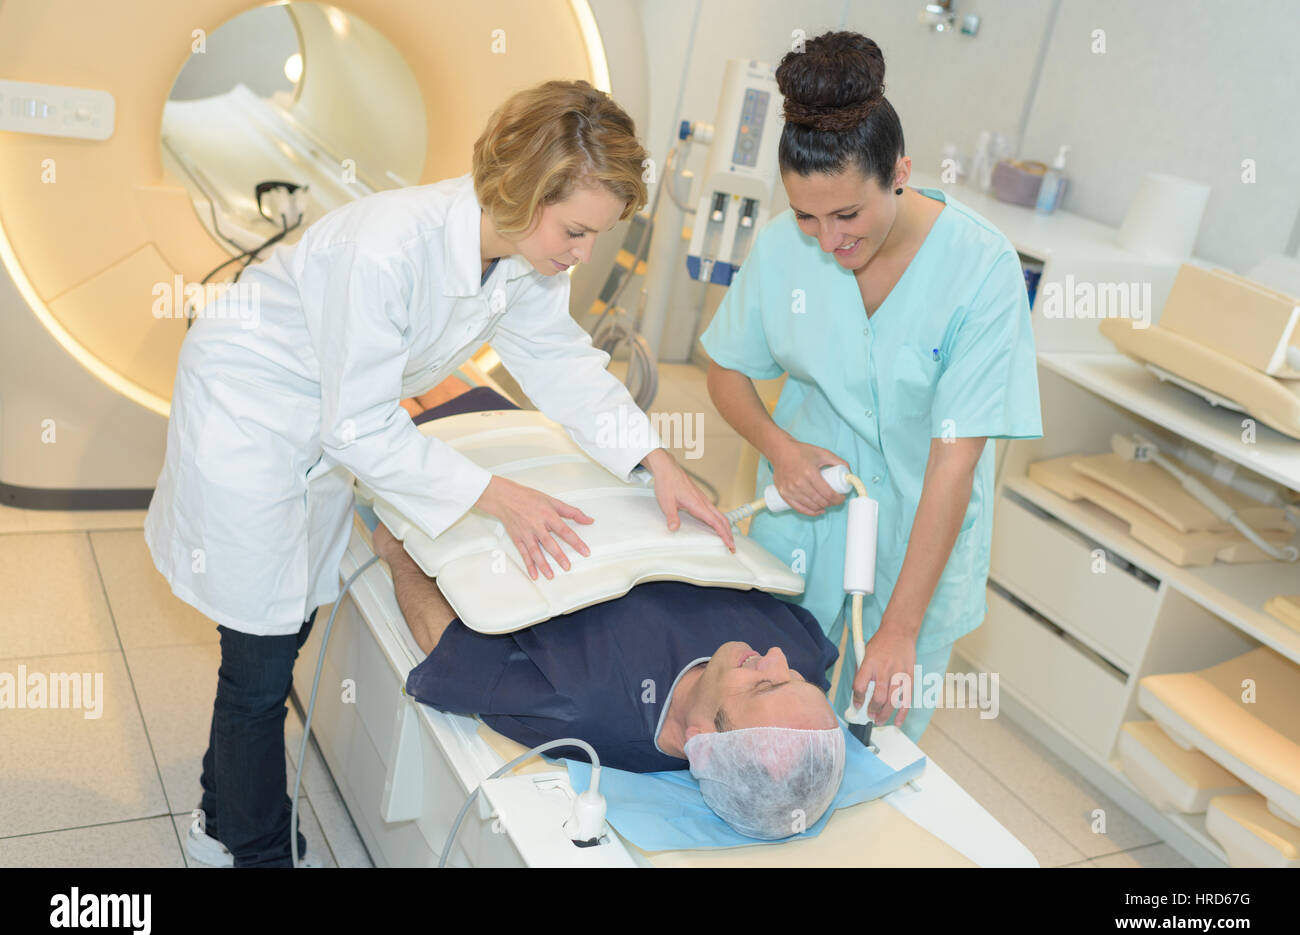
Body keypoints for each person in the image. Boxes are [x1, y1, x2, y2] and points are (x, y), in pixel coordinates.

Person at [145, 79, 733, 868]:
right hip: (250, 414)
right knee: (258, 653)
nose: (584, 252)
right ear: (523, 193)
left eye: (595, 233)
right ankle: (252, 849)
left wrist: (653, 458)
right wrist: (498, 498)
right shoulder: (387, 247)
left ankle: (222, 818)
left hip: (323, 427)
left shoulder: (524, 258)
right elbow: (357, 422)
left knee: (285, 629)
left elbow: (558, 362)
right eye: (576, 229)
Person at [700, 32, 1042, 742]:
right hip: (803, 529)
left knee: (873, 751)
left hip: (919, 548)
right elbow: (726, 368)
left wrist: (900, 628)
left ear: (900, 173)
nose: (827, 241)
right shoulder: (779, 247)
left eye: (848, 215)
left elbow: (955, 457)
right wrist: (780, 446)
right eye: (806, 216)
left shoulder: (980, 271)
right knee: (768, 741)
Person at [371, 520, 845, 840]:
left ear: (702, 741)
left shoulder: (577, 701)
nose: (777, 658)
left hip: (483, 505)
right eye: (796, 679)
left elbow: (447, 643)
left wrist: (396, 552)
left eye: (764, 685)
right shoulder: (800, 653)